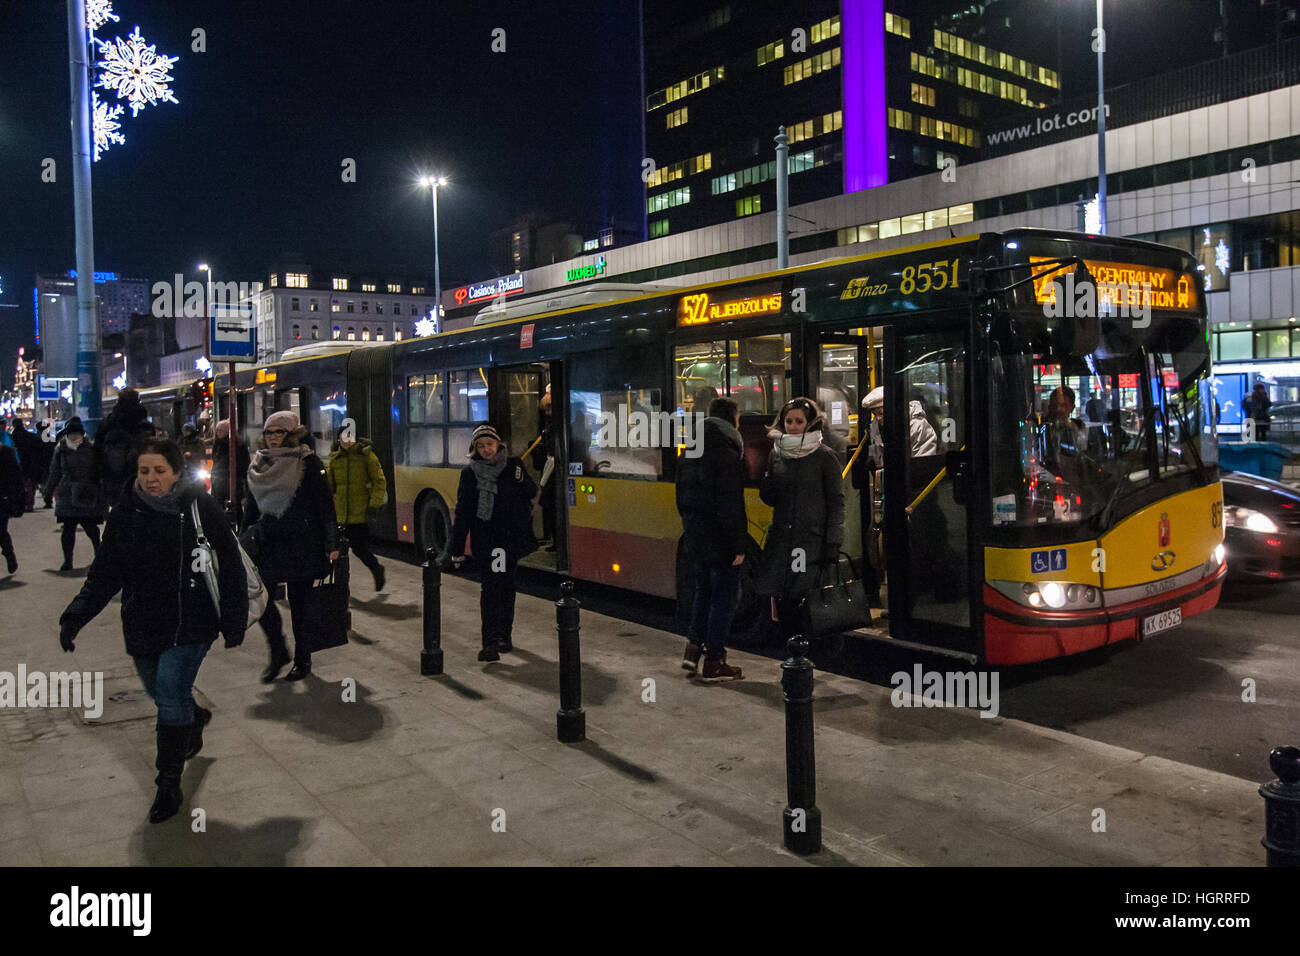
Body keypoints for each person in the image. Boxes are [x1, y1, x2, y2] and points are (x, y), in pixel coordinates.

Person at [58, 436, 247, 824]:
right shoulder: (126, 511)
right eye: (144, 471)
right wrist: (75, 615)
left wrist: (234, 619)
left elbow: (230, 564)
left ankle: (168, 782)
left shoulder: (199, 507)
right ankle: (192, 720)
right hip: (142, 621)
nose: (151, 478)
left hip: (191, 621)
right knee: (160, 690)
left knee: (169, 692)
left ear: (177, 471)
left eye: (160, 471)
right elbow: (106, 572)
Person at [243, 411, 339, 682]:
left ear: (292, 433)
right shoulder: (259, 463)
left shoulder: (307, 462)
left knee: (301, 606)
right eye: (269, 432)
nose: (273, 438)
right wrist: (242, 538)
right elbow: (251, 507)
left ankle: (302, 659)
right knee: (261, 601)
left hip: (302, 543)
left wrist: (332, 542)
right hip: (268, 543)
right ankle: (278, 651)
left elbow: (324, 505)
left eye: (279, 432)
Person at [754, 397, 845, 641]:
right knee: (784, 597)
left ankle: (807, 652)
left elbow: (836, 502)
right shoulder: (777, 454)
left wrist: (833, 543)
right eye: (788, 421)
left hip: (810, 542)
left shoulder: (825, 456)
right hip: (783, 539)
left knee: (805, 596)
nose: (793, 426)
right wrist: (767, 477)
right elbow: (771, 498)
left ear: (810, 423)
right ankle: (793, 651)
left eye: (799, 421)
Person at [449, 424, 538, 662]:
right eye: (481, 446)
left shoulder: (513, 466)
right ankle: (489, 642)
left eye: (490, 444)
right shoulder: (470, 473)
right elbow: (464, 511)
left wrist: (521, 479)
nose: (486, 449)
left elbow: (531, 491)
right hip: (487, 542)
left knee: (507, 588)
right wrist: (456, 549)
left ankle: (504, 637)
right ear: (474, 449)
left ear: (498, 445)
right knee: (490, 590)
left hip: (509, 540)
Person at [675, 396, 747, 682]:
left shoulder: (690, 450)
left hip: (696, 535)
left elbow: (681, 498)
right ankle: (715, 659)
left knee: (703, 591)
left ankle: (692, 651)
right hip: (720, 539)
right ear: (734, 419)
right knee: (724, 597)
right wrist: (738, 545)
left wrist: (692, 528)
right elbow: (731, 505)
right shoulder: (726, 454)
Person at [325, 431, 388, 591]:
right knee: (336, 553)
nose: (347, 442)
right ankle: (340, 588)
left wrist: (374, 504)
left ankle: (376, 569)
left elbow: (379, 481)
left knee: (359, 549)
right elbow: (330, 487)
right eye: (343, 439)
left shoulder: (366, 457)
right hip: (339, 514)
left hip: (359, 514)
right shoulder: (334, 459)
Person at [43, 418, 103, 571]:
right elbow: (55, 472)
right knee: (68, 529)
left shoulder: (91, 448)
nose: (74, 437)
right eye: (72, 434)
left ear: (82, 434)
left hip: (86, 493)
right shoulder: (60, 450)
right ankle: (67, 560)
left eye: (77, 434)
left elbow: (98, 470)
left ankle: (100, 555)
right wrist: (48, 491)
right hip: (67, 494)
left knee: (91, 528)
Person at [96, 387, 153, 510]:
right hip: (140, 476)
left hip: (113, 477)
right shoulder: (145, 426)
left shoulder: (107, 424)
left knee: (120, 510)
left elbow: (97, 451)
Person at [210, 418, 250, 523]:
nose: (218, 433)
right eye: (217, 430)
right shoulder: (217, 444)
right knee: (219, 506)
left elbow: (243, 464)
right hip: (219, 481)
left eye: (221, 430)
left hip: (232, 481)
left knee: (234, 508)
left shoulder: (237, 445)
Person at [531, 386, 557, 549]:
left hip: (553, 468)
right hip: (551, 467)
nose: (546, 412)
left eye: (548, 408)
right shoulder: (551, 424)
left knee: (549, 503)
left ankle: (556, 541)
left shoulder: (553, 426)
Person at [11, 418, 44, 513]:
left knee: (22, 484)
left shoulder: (13, 436)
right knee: (30, 484)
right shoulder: (31, 436)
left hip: (19, 463)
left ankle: (24, 503)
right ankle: (30, 503)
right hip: (31, 463)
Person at [0, 440, 24, 574]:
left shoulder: (7, 453)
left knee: (1, 531)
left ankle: (9, 554)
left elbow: (16, 478)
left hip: (3, 498)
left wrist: (18, 501)